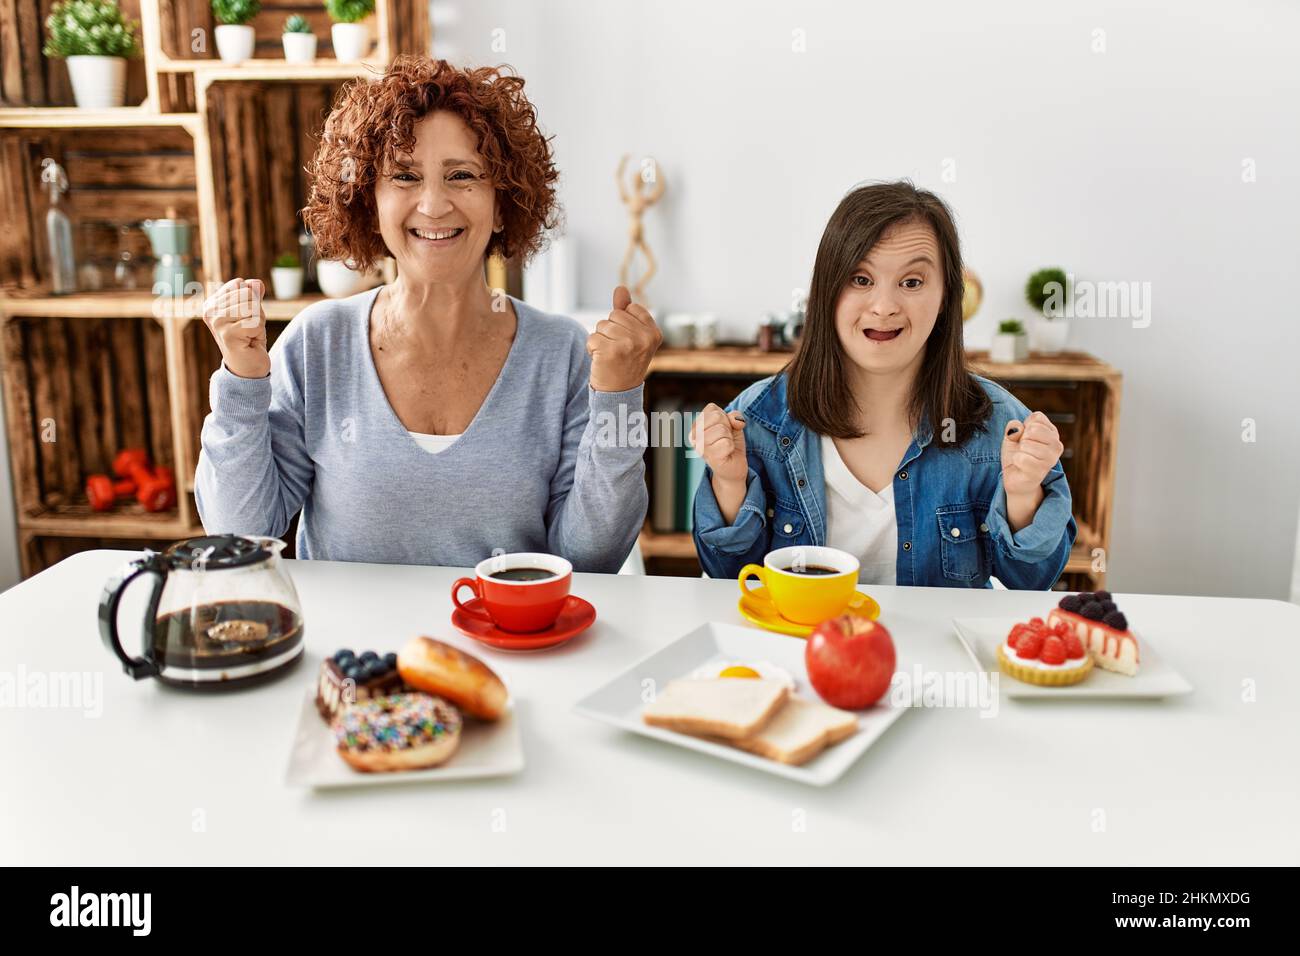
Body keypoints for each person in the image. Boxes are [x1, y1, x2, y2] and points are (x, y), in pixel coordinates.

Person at [195, 57, 660, 571]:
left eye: (462, 175)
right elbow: (240, 530)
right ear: (367, 201)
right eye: (405, 176)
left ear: (502, 203)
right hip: (352, 650)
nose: (435, 205)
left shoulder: (562, 353)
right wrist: (241, 380)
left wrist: (618, 397)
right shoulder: (317, 344)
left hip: (507, 648)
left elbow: (591, 561)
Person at [691, 181, 1075, 588]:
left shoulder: (999, 423)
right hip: (800, 648)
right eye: (860, 279)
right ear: (826, 289)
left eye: (912, 283)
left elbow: (1034, 583)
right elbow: (728, 578)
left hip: (934, 649)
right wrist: (730, 482)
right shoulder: (758, 419)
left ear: (947, 296)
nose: (884, 306)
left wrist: (1023, 496)